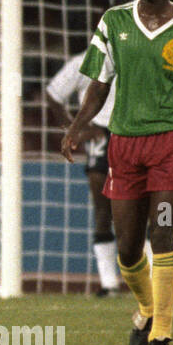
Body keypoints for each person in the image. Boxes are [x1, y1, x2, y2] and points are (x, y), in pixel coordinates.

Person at [62, 0, 173, 345]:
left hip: (170, 148)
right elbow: (99, 85)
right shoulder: (114, 21)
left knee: (162, 231)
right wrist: (75, 128)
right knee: (128, 249)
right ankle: (148, 307)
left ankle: (162, 333)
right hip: (125, 148)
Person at [46, 55, 121, 296]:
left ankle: (157, 280)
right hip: (101, 135)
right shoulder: (84, 62)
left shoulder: (137, 51)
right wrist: (73, 129)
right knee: (103, 208)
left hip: (135, 131)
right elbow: (53, 94)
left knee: (149, 206)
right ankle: (109, 283)